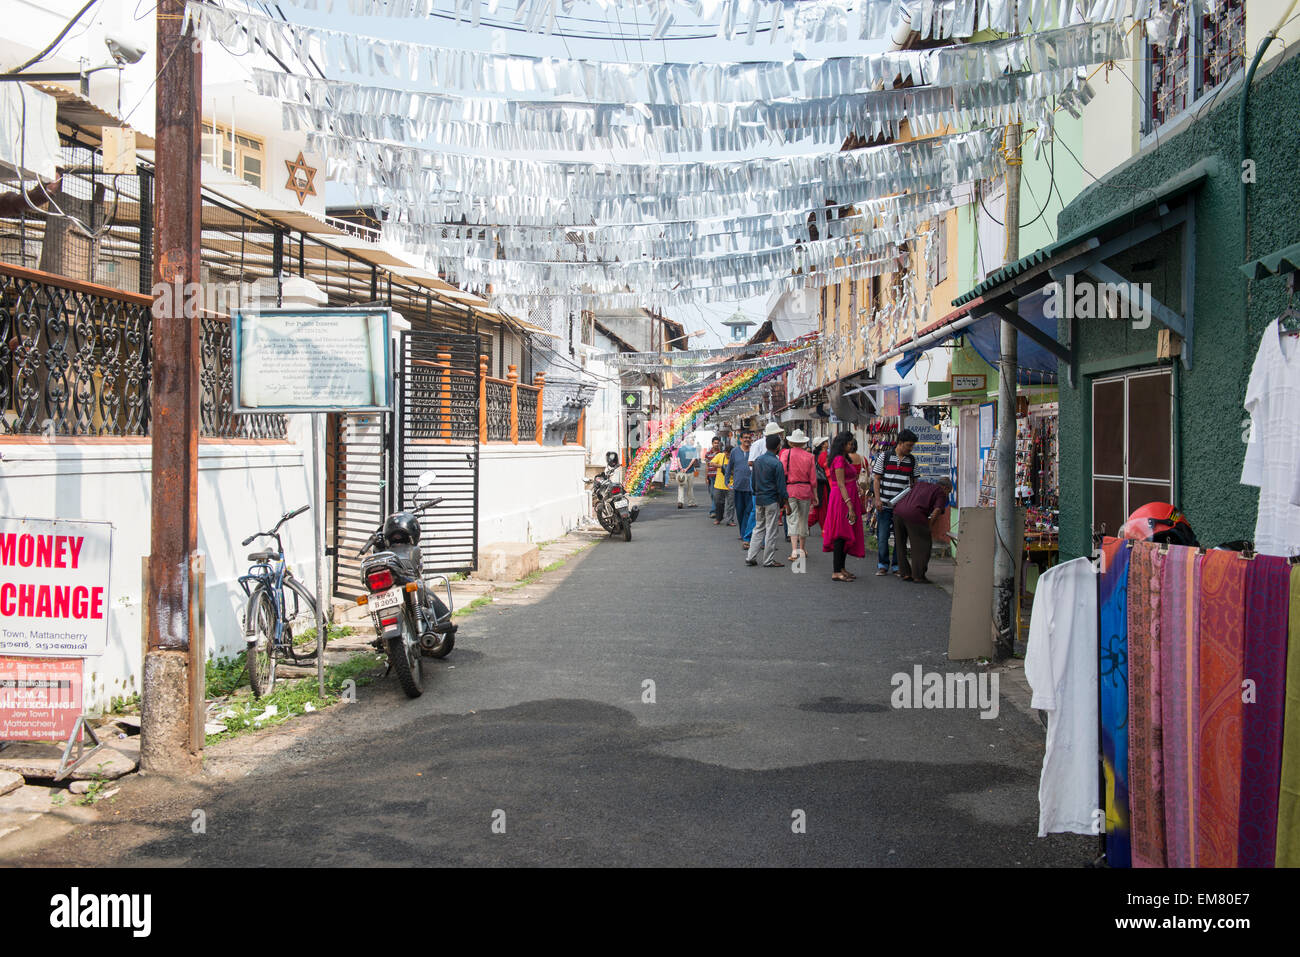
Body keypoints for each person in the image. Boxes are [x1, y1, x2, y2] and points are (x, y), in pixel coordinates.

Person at [871, 428, 917, 577]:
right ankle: (883, 564)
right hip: (884, 504)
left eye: (912, 446)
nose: (910, 449)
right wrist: (877, 499)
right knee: (883, 536)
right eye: (908, 445)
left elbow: (914, 483)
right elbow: (876, 479)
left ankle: (897, 565)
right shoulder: (884, 456)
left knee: (900, 537)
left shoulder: (912, 461)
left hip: (902, 507)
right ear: (900, 443)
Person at [821, 431, 866, 582]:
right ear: (842, 444)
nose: (851, 445)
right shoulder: (839, 460)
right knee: (841, 533)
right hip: (842, 499)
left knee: (847, 531)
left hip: (847, 496)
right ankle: (836, 570)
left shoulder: (844, 458)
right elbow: (840, 484)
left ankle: (841, 567)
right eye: (849, 443)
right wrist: (849, 505)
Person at [893, 477, 953, 583]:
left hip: (898, 512)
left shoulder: (921, 484)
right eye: (949, 491)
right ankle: (918, 575)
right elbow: (937, 510)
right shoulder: (940, 492)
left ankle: (905, 573)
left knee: (900, 543)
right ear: (945, 487)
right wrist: (929, 526)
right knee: (923, 544)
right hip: (914, 514)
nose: (948, 494)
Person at [745, 432, 790, 567]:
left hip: (759, 498)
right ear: (778, 447)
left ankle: (751, 556)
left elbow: (753, 482)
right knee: (771, 530)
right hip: (771, 500)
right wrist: (786, 502)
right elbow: (781, 487)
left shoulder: (757, 461)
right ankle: (768, 560)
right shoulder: (777, 463)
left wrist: (756, 493)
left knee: (758, 527)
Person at [779, 429, 818, 561]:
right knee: (803, 520)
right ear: (803, 443)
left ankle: (794, 551)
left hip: (790, 490)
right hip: (805, 490)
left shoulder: (785, 454)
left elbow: (782, 473)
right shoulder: (810, 456)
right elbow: (813, 479)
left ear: (791, 442)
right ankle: (802, 549)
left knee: (792, 520)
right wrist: (815, 496)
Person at [727, 431, 756, 546]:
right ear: (741, 439)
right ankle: (743, 532)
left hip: (751, 487)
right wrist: (726, 481)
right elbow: (730, 467)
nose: (747, 440)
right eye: (745, 438)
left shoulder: (754, 451)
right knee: (740, 512)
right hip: (738, 486)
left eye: (749, 438)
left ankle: (746, 536)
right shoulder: (735, 451)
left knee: (748, 512)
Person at [808, 437, 830, 531]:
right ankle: (824, 527)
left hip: (818, 483)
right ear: (822, 445)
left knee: (819, 507)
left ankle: (808, 524)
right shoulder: (824, 455)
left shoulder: (816, 456)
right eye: (825, 442)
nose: (827, 443)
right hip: (824, 483)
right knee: (823, 507)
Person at [705, 436, 726, 524]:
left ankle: (713, 512)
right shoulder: (708, 454)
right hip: (710, 476)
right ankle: (716, 511)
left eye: (718, 443)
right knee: (712, 494)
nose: (716, 444)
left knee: (715, 495)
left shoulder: (721, 454)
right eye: (715, 443)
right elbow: (707, 465)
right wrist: (706, 477)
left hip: (718, 477)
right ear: (712, 443)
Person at [675, 438, 701, 509]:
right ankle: (691, 502)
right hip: (690, 471)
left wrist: (681, 468)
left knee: (680, 487)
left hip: (681, 472)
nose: (693, 441)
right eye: (692, 440)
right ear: (690, 441)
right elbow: (693, 460)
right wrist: (686, 468)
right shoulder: (693, 449)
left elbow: (678, 459)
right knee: (690, 487)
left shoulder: (680, 449)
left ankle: (680, 501)